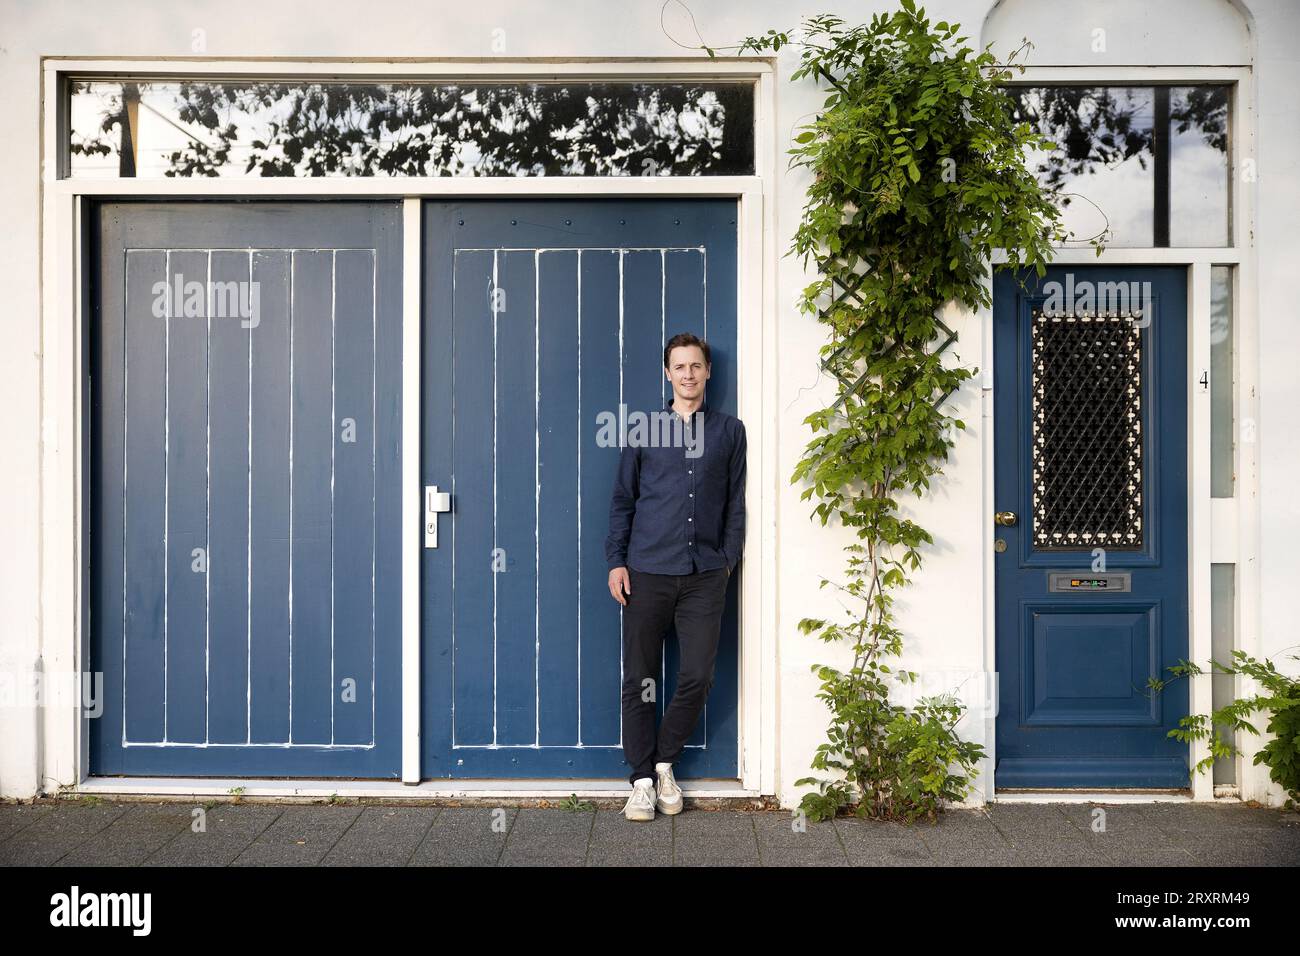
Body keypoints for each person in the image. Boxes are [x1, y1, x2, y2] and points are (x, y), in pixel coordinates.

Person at [605, 332, 747, 821]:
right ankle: (642, 780)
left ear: (708, 371)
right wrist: (616, 561)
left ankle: (665, 763)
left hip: (706, 573)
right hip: (646, 571)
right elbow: (623, 500)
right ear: (668, 373)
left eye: (696, 366)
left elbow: (734, 504)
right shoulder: (644, 429)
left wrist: (728, 558)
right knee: (640, 676)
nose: (688, 374)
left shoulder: (730, 431)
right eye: (679, 366)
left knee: (698, 675)